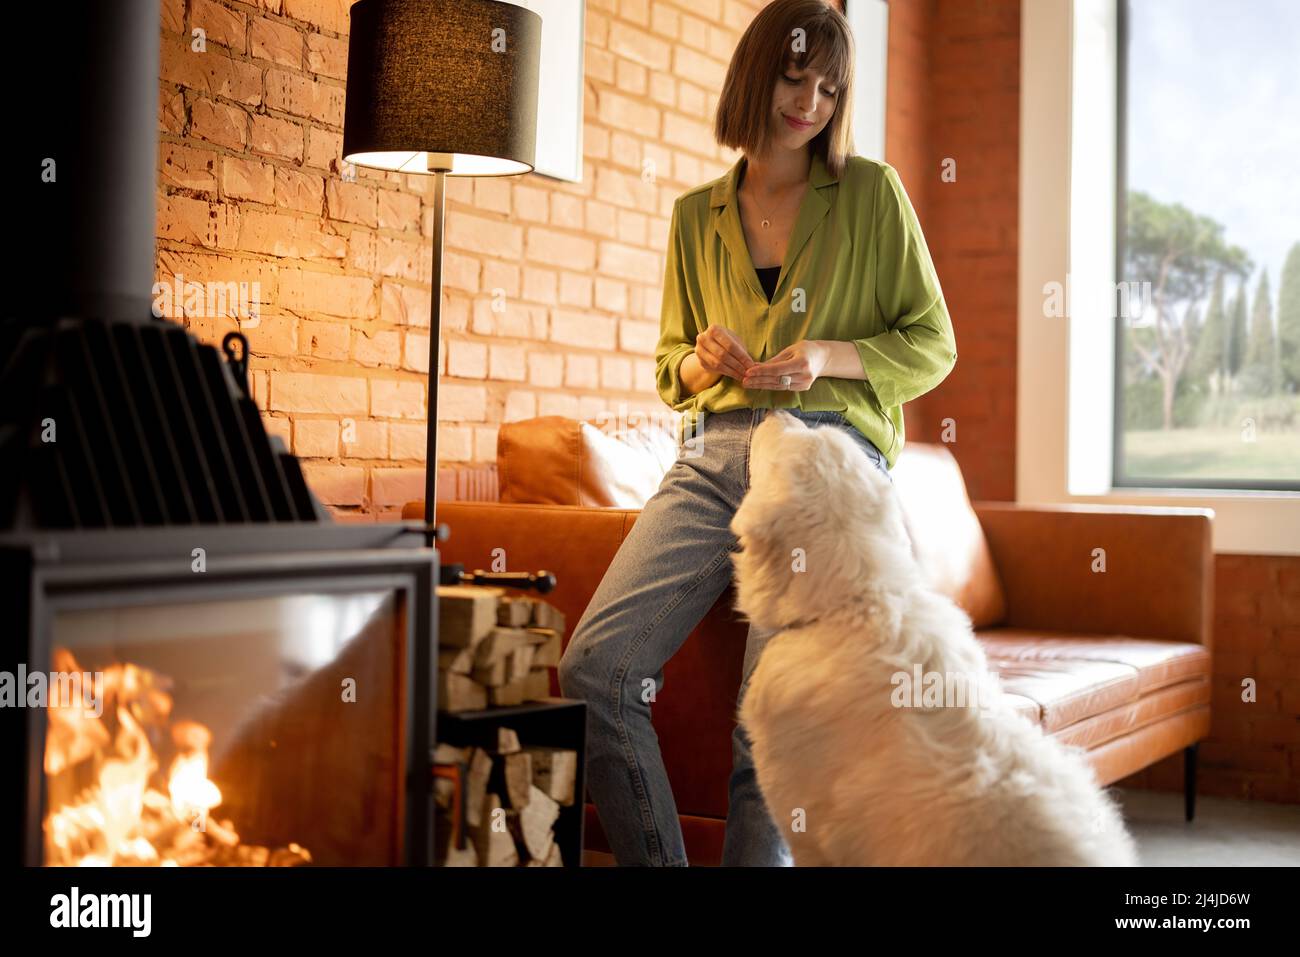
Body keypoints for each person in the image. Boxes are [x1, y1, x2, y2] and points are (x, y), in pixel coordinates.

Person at [557, 0, 957, 866]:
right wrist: (704, 359)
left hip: (823, 458)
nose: (808, 99)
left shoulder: (871, 195)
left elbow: (934, 344)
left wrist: (826, 354)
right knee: (594, 669)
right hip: (710, 454)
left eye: (828, 87)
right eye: (793, 74)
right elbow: (671, 368)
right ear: (757, 70)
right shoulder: (694, 216)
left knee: (763, 731)